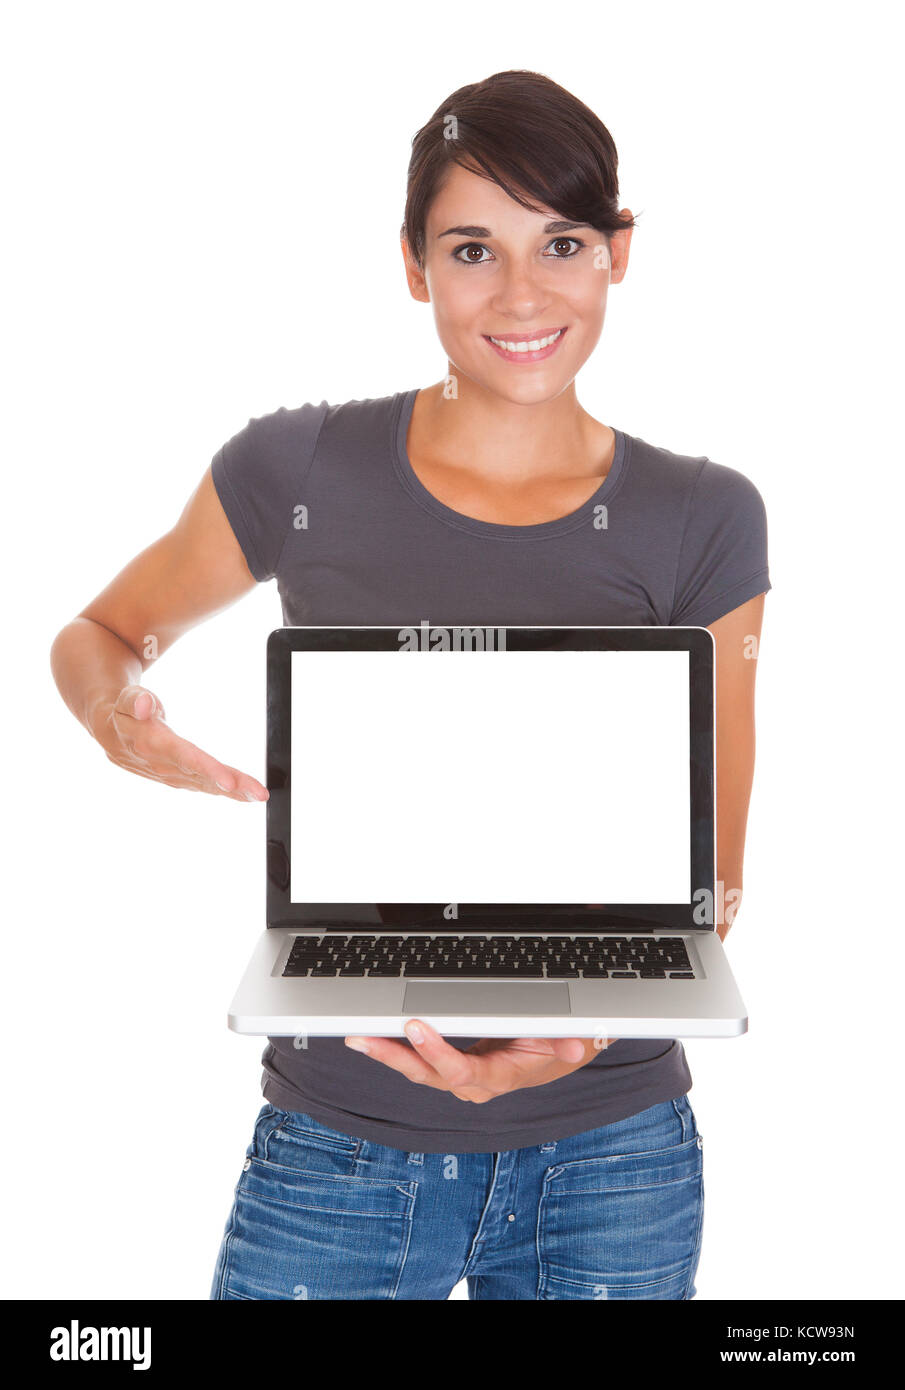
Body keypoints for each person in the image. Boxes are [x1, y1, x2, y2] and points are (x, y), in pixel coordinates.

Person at [50, 69, 770, 1300]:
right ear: (411, 264)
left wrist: (580, 1037)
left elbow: (712, 873)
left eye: (562, 243)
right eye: (471, 248)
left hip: (611, 1162)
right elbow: (103, 632)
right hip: (338, 1142)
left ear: (618, 252)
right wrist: (117, 714)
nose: (522, 293)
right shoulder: (299, 464)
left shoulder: (701, 514)